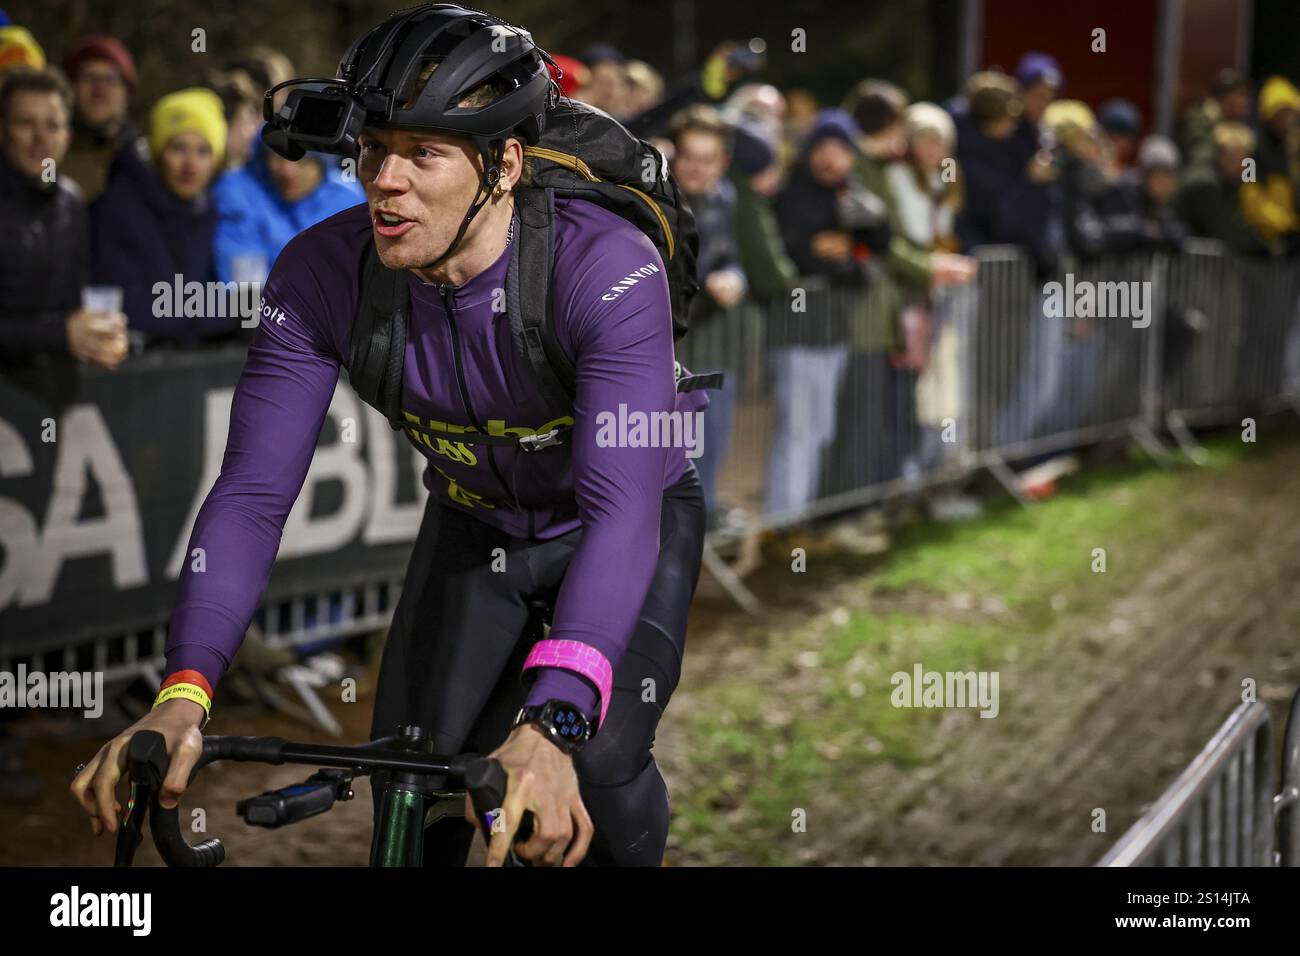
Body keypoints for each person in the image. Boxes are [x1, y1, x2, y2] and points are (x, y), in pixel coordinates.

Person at [71, 3, 708, 869]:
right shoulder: (322, 274)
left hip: (624, 522)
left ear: (504, 166)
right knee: (416, 784)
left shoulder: (605, 268)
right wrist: (184, 691)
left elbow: (620, 513)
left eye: (426, 153)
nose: (385, 179)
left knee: (590, 757)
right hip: (475, 526)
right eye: (374, 148)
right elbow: (254, 495)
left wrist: (553, 718)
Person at [768, 108, 889, 516]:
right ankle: (780, 524)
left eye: (841, 149)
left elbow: (873, 258)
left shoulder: (853, 195)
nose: (831, 158)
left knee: (819, 432)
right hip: (797, 332)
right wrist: (841, 258)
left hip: (834, 331)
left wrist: (847, 255)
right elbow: (799, 257)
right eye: (823, 147)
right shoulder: (791, 192)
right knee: (797, 433)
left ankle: (797, 522)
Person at [0, 67, 126, 383]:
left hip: (47, 396)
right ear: (2, 130)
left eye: (52, 125)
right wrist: (60, 335)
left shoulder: (71, 202)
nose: (40, 138)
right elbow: (60, 329)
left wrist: (96, 337)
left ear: (66, 137)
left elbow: (73, 307)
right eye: (26, 123)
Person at [89, 87, 232, 344]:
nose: (190, 164)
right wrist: (233, 311)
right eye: (178, 148)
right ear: (158, 152)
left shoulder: (211, 208)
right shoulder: (119, 205)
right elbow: (121, 305)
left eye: (203, 151)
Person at [670, 105, 746, 525]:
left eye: (708, 159)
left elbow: (732, 256)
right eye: (689, 157)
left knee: (713, 431)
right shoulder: (655, 197)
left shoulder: (724, 197)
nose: (697, 169)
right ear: (673, 155)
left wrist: (733, 277)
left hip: (713, 336)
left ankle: (705, 513)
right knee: (667, 442)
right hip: (665, 342)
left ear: (724, 162)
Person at [211, 143, 363, 282]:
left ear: (322, 165)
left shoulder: (349, 202)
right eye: (278, 157)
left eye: (303, 161)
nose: (287, 171)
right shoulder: (241, 193)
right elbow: (244, 287)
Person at [60, 34, 143, 201]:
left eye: (110, 79)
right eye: (89, 77)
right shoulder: (48, 157)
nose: (99, 88)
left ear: (127, 92)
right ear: (71, 88)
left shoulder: (145, 162)